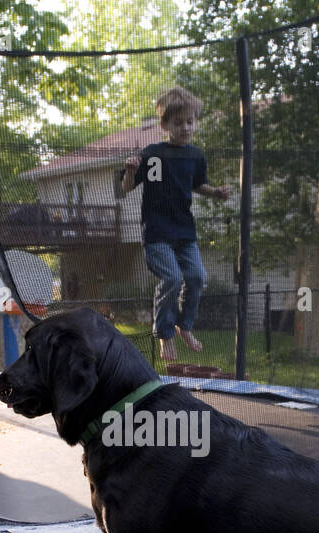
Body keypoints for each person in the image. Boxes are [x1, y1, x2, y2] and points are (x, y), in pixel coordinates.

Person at [122, 87, 230, 363]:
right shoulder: (153, 154)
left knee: (196, 277)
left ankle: (185, 325)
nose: (185, 128)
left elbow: (197, 185)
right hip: (157, 232)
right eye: (178, 123)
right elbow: (127, 187)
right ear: (165, 125)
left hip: (184, 232)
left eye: (190, 122)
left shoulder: (195, 156)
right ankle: (164, 332)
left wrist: (215, 192)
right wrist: (132, 170)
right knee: (171, 278)